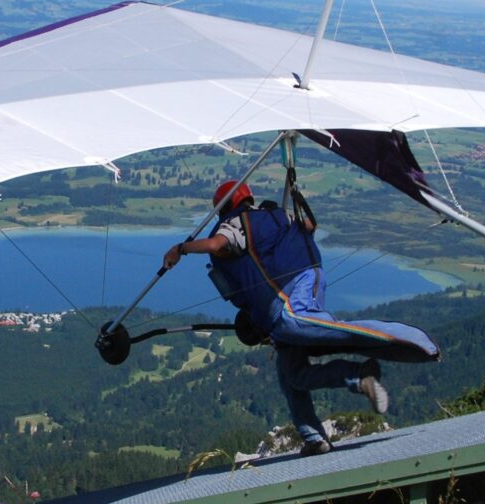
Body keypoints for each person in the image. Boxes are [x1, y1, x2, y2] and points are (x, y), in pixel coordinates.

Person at [163, 179, 439, 457]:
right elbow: (307, 228)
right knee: (293, 376)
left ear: (225, 207)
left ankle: (409, 339)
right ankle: (327, 420)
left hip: (290, 293)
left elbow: (215, 244)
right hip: (308, 279)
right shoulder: (277, 214)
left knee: (298, 324)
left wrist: (181, 249)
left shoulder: (235, 223)